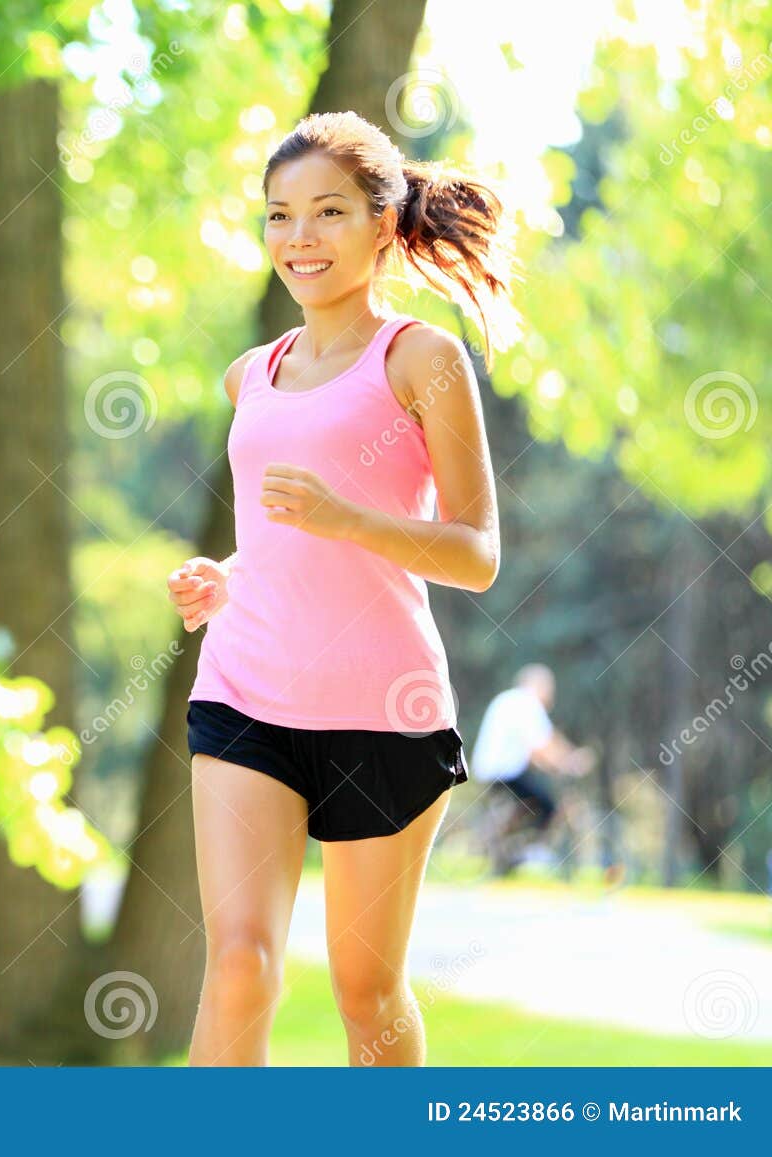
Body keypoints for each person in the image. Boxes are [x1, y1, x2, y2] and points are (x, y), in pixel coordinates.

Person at [165, 110, 523, 1067]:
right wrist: (225, 578)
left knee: (365, 990)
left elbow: (477, 552)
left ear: (380, 219)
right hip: (245, 695)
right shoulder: (254, 376)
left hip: (385, 710)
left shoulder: (420, 359)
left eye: (326, 213)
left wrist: (352, 521)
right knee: (239, 963)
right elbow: (279, 546)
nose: (300, 239)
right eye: (279, 217)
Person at [468, 663, 597, 873]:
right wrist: (568, 762)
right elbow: (542, 746)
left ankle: (508, 849)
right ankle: (530, 852)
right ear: (540, 686)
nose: (551, 697)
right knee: (548, 805)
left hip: (491, 770)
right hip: (505, 771)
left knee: (528, 802)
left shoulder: (510, 699)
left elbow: (544, 742)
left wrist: (560, 758)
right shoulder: (527, 703)